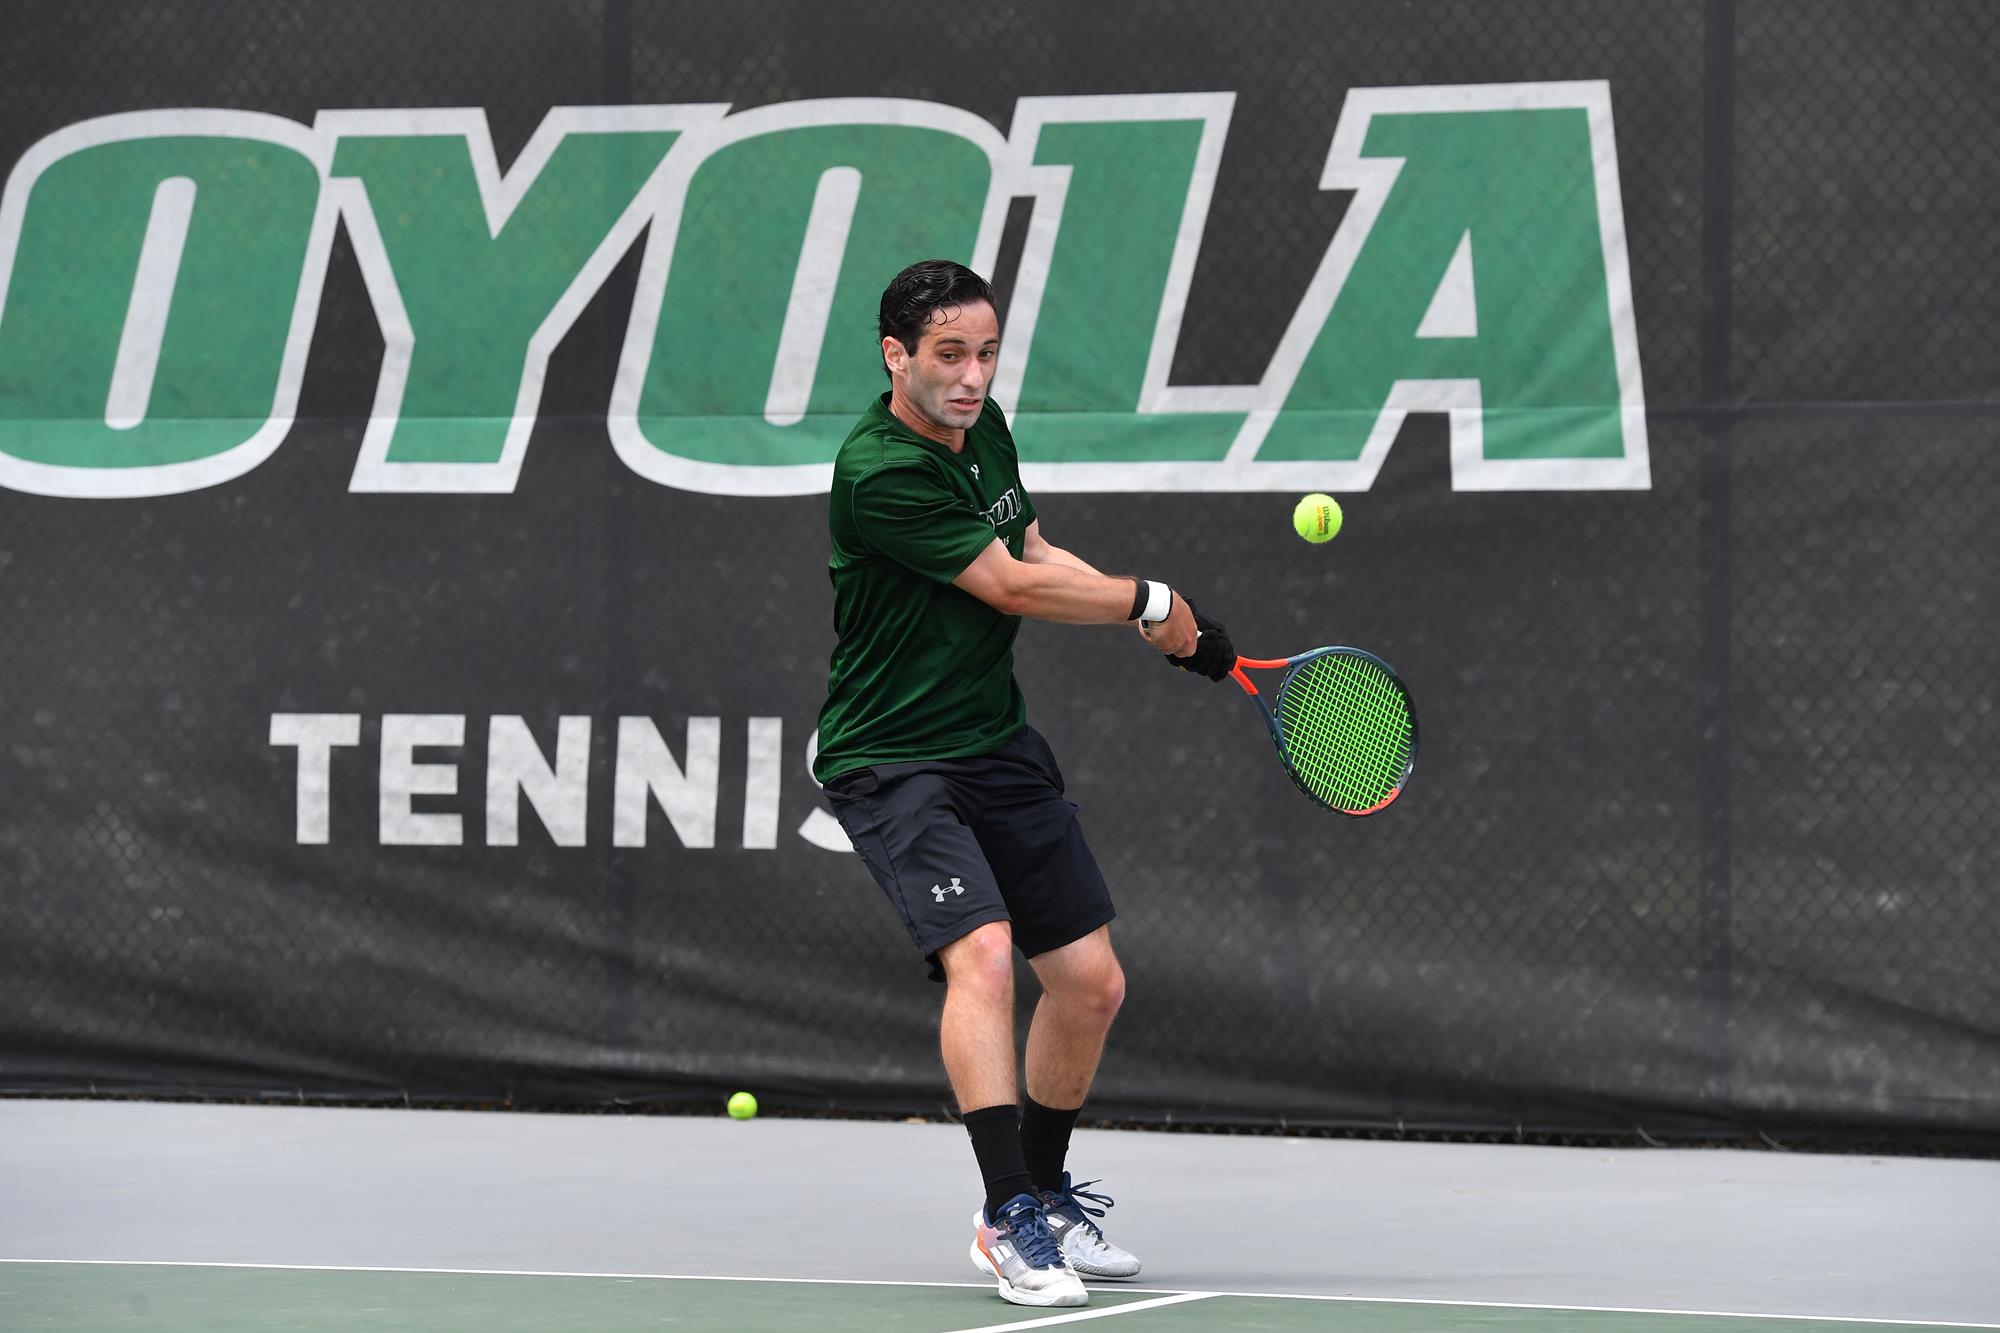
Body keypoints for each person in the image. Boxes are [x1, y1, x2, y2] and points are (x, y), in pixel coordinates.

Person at [813, 259, 1235, 1309]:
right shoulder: (879, 470)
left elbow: (1030, 545)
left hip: (992, 743)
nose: (970, 376)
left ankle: (1046, 1194)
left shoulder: (983, 428)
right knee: (987, 958)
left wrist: (1149, 621)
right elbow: (1003, 583)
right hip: (890, 756)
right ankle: (1004, 1214)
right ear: (893, 354)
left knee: (1090, 983)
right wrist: (1149, 599)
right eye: (947, 355)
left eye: (986, 353)